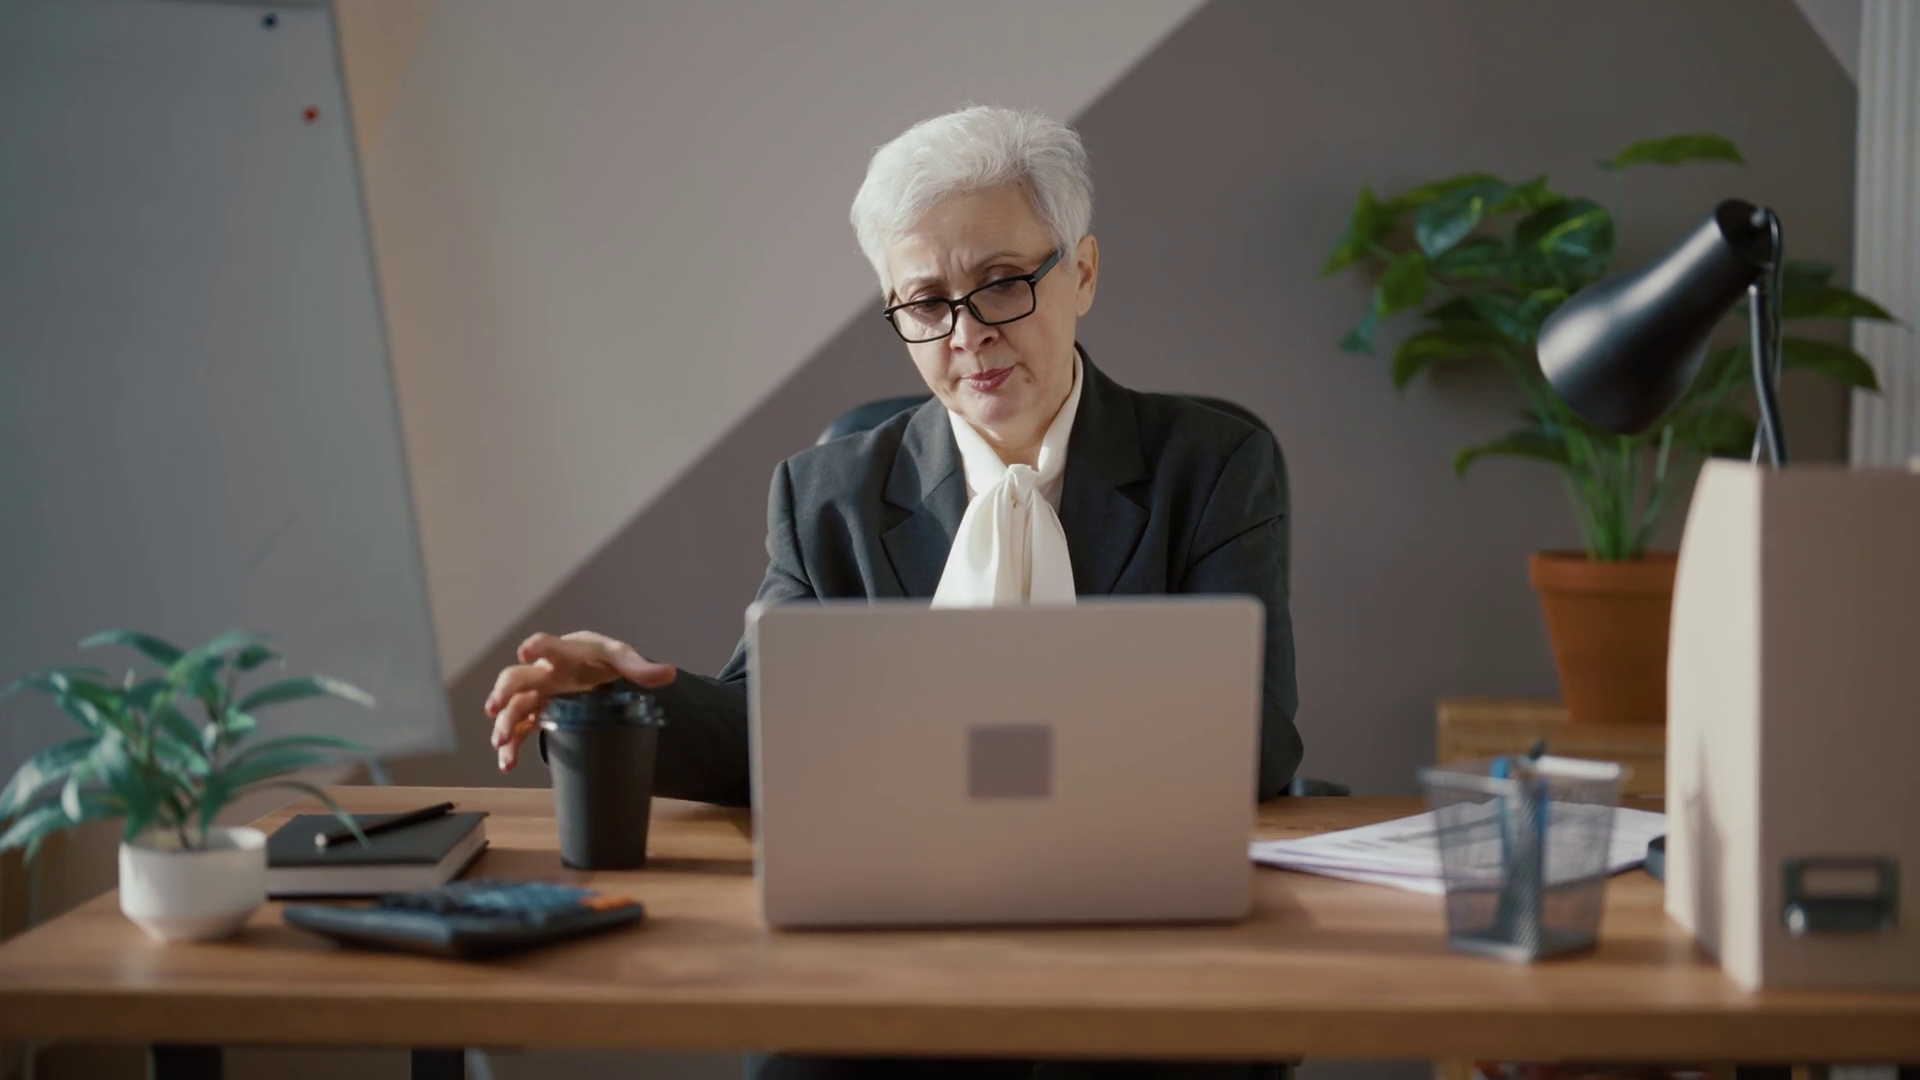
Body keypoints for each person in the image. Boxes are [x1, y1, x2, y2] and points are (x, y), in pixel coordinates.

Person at [483, 105, 1302, 1078]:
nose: (968, 335)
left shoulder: (1212, 465)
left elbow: (1254, 743)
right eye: (925, 303)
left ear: (1081, 272)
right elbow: (768, 732)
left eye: (1003, 284)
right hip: (899, 925)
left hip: (1143, 921)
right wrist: (619, 696)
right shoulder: (827, 495)